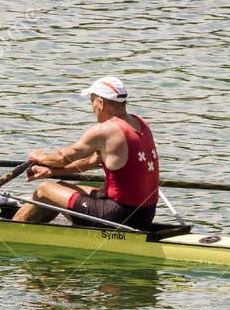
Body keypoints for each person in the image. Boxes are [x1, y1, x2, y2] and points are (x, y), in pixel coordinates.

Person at [15, 76, 160, 230]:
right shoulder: (140, 123)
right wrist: (51, 171)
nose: (92, 107)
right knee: (62, 186)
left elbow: (62, 157)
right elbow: (90, 161)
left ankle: (11, 230)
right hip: (145, 215)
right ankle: (34, 227)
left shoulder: (105, 130)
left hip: (118, 216)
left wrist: (41, 158)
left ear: (101, 103)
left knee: (44, 189)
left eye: (92, 101)